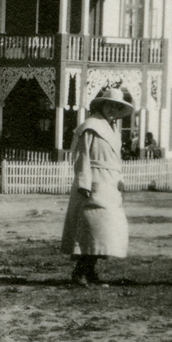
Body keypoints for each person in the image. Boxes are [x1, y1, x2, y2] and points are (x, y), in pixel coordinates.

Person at [61, 86, 135, 286]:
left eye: (117, 107)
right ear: (102, 105)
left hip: (109, 183)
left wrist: (120, 178)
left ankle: (91, 271)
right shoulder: (91, 126)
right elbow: (82, 155)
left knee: (104, 230)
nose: (113, 110)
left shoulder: (111, 128)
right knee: (91, 228)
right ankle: (80, 272)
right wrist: (84, 181)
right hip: (94, 182)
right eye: (110, 105)